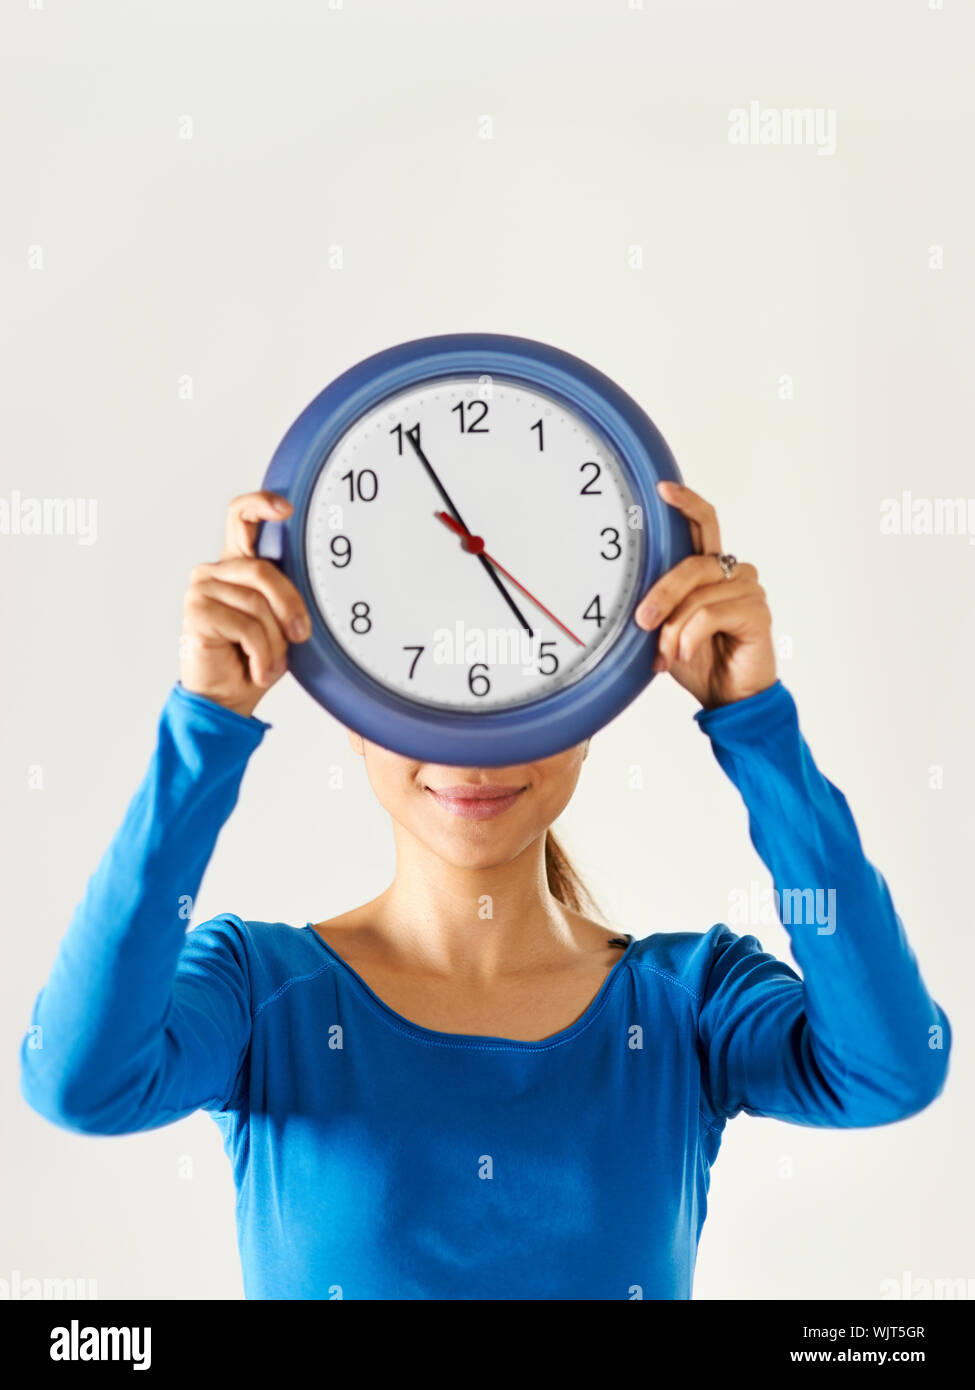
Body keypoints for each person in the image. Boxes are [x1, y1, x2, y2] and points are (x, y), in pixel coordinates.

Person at [19, 481, 951, 1300]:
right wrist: (205, 727)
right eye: (420, 688)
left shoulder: (688, 1001)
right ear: (347, 714)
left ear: (597, 713)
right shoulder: (261, 994)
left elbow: (888, 1066)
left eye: (521, 694)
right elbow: (78, 1081)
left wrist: (753, 723)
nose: (472, 750)